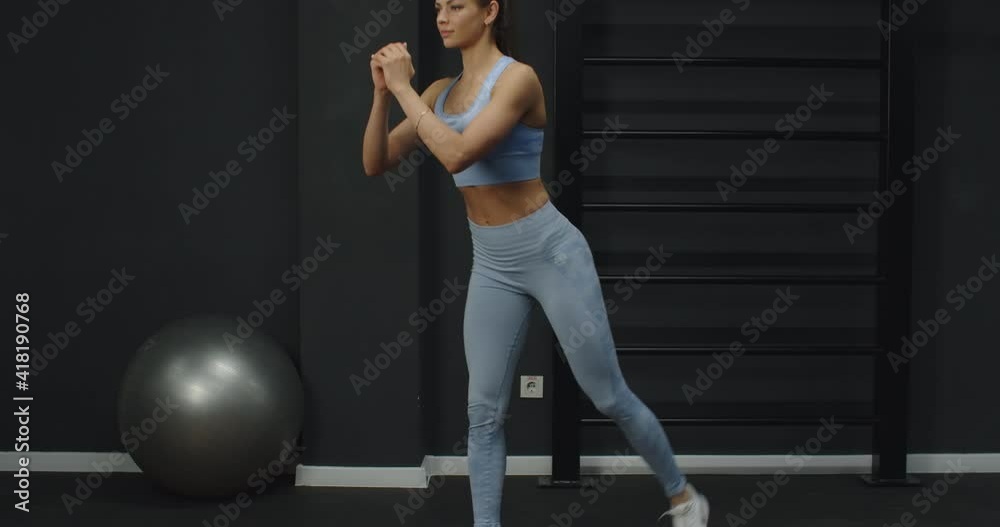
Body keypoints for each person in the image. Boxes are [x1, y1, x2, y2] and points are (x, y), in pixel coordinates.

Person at [361, 1, 710, 526]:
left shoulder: (517, 80)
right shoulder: (436, 93)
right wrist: (382, 94)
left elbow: (457, 155)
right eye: (438, 6)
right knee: (483, 414)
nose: (442, 16)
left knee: (608, 394)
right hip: (492, 262)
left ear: (489, 11)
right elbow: (375, 162)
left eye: (456, 5)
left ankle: (684, 497)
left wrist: (405, 89)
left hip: (552, 253)